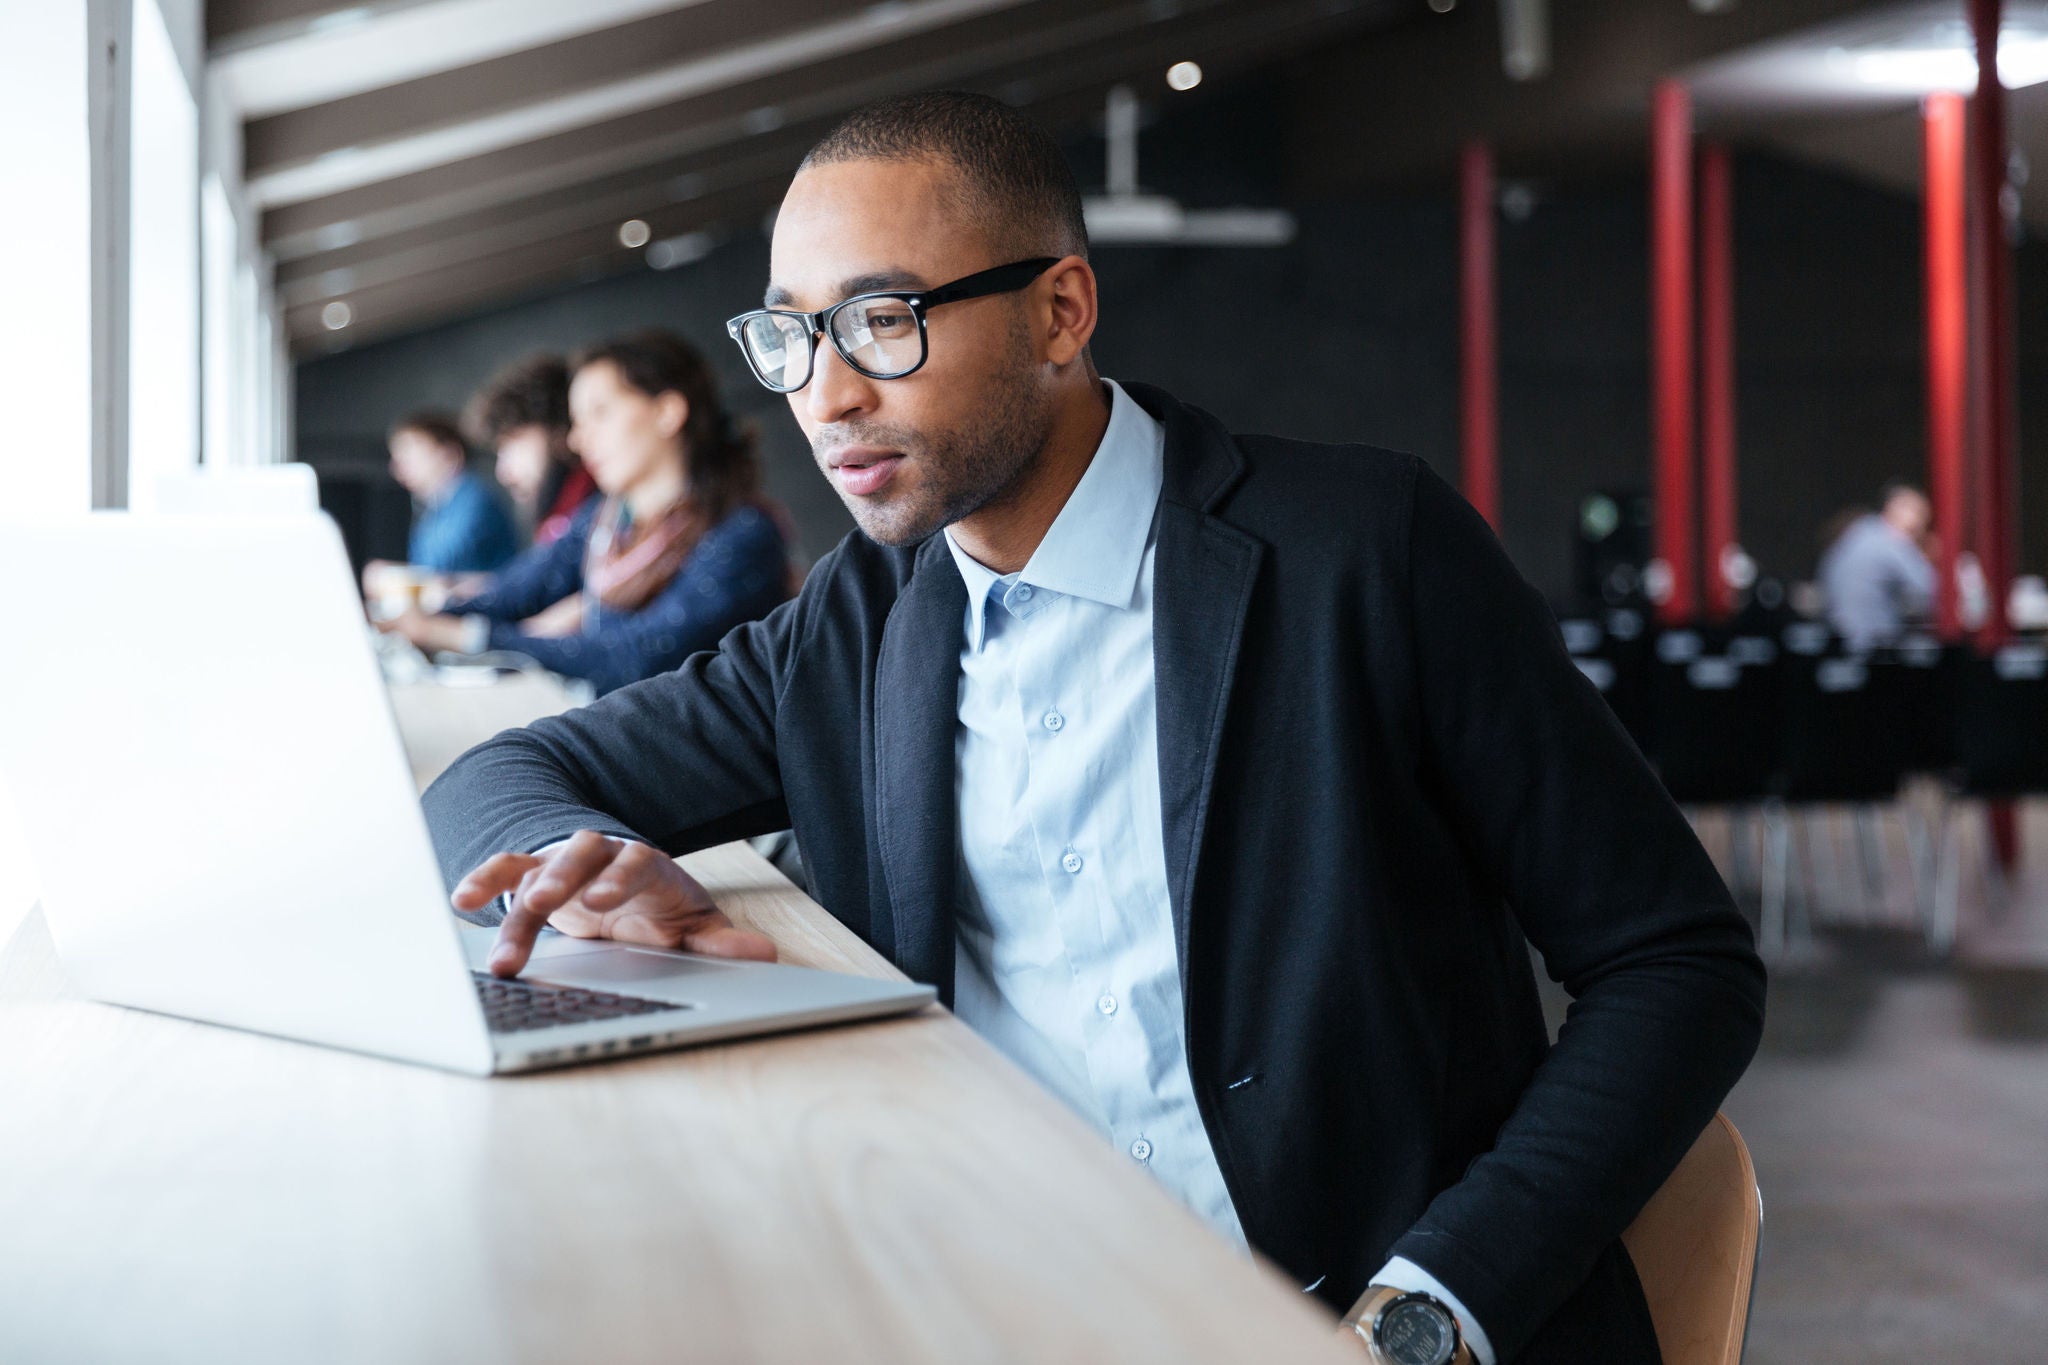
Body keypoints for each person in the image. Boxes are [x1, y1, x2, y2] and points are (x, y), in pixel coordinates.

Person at [423, 93, 1764, 1364]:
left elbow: (1677, 961)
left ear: (1060, 311)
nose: (825, 396)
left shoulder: (1363, 554)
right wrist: (584, 861)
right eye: (793, 336)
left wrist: (1430, 1309)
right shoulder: (866, 617)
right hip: (1001, 1301)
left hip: (1348, 1314)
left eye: (884, 320)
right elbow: (501, 780)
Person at [378, 331, 790, 696]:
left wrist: (463, 635)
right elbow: (518, 590)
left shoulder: (743, 533)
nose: (579, 439)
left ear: (668, 412)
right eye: (576, 421)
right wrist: (414, 620)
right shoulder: (605, 521)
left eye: (599, 412)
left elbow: (632, 658)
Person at [463, 353, 597, 548]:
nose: (503, 473)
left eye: (512, 443)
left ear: (559, 429)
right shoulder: (560, 512)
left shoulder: (596, 506)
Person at [383, 410, 520, 575]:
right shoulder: (435, 508)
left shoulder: (475, 501)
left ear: (450, 455)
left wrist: (393, 575)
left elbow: (441, 564)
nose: (399, 468)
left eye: (410, 454)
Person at [1818, 481, 1937, 651]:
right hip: (1871, 644)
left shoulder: (1860, 532)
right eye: (1919, 514)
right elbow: (1931, 590)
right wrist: (1928, 557)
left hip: (1838, 640)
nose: (1921, 526)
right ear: (1896, 508)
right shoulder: (1891, 541)